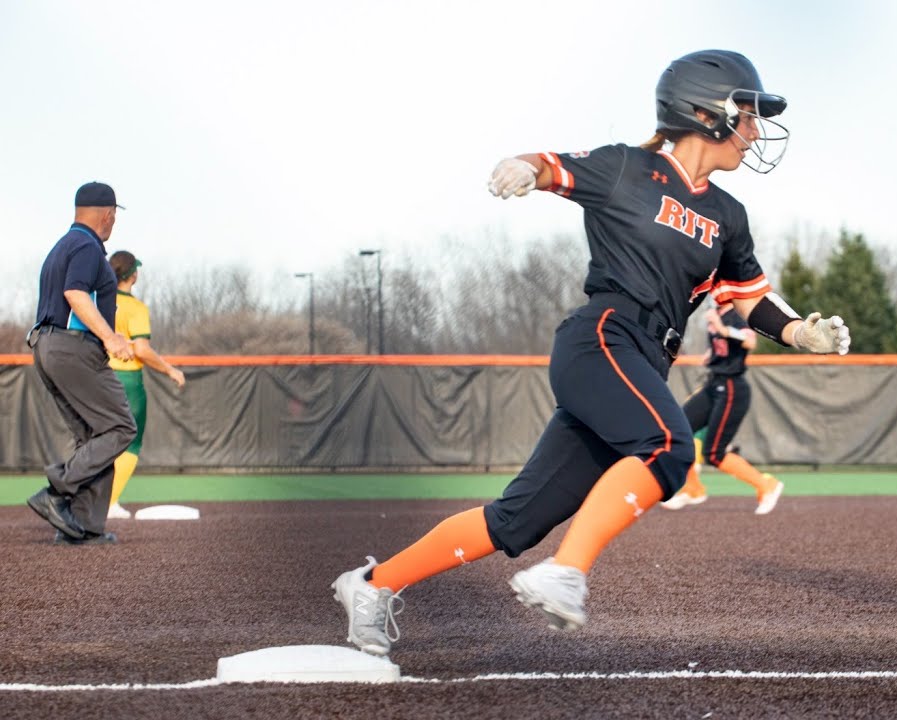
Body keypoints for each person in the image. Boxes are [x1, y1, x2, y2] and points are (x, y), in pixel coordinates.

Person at [331, 49, 850, 656]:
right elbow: (550, 165)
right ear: (706, 112)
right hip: (603, 336)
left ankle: (372, 585)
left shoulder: (727, 214)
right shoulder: (628, 167)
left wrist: (799, 332)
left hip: (645, 360)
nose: (755, 129)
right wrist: (522, 168)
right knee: (669, 448)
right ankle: (567, 571)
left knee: (518, 519)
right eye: (748, 112)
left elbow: (749, 295)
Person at [26, 182, 137, 545]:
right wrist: (111, 337)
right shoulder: (88, 246)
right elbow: (74, 293)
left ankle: (80, 526)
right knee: (120, 427)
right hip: (73, 349)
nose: (114, 221)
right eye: (115, 215)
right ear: (108, 214)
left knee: (93, 436)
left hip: (46, 345)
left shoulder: (63, 245)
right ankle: (57, 492)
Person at [662, 303, 783, 514]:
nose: (715, 291)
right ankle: (693, 489)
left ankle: (766, 485)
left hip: (732, 388)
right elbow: (724, 345)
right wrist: (712, 353)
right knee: (677, 432)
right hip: (714, 383)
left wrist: (722, 329)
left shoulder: (736, 315)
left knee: (714, 453)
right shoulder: (716, 313)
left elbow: (750, 341)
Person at [105, 251, 186, 520]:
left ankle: (86, 500)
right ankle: (109, 503)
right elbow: (141, 349)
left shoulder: (99, 301)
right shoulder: (135, 308)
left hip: (99, 375)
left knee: (99, 440)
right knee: (131, 441)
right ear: (132, 275)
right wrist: (170, 369)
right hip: (127, 379)